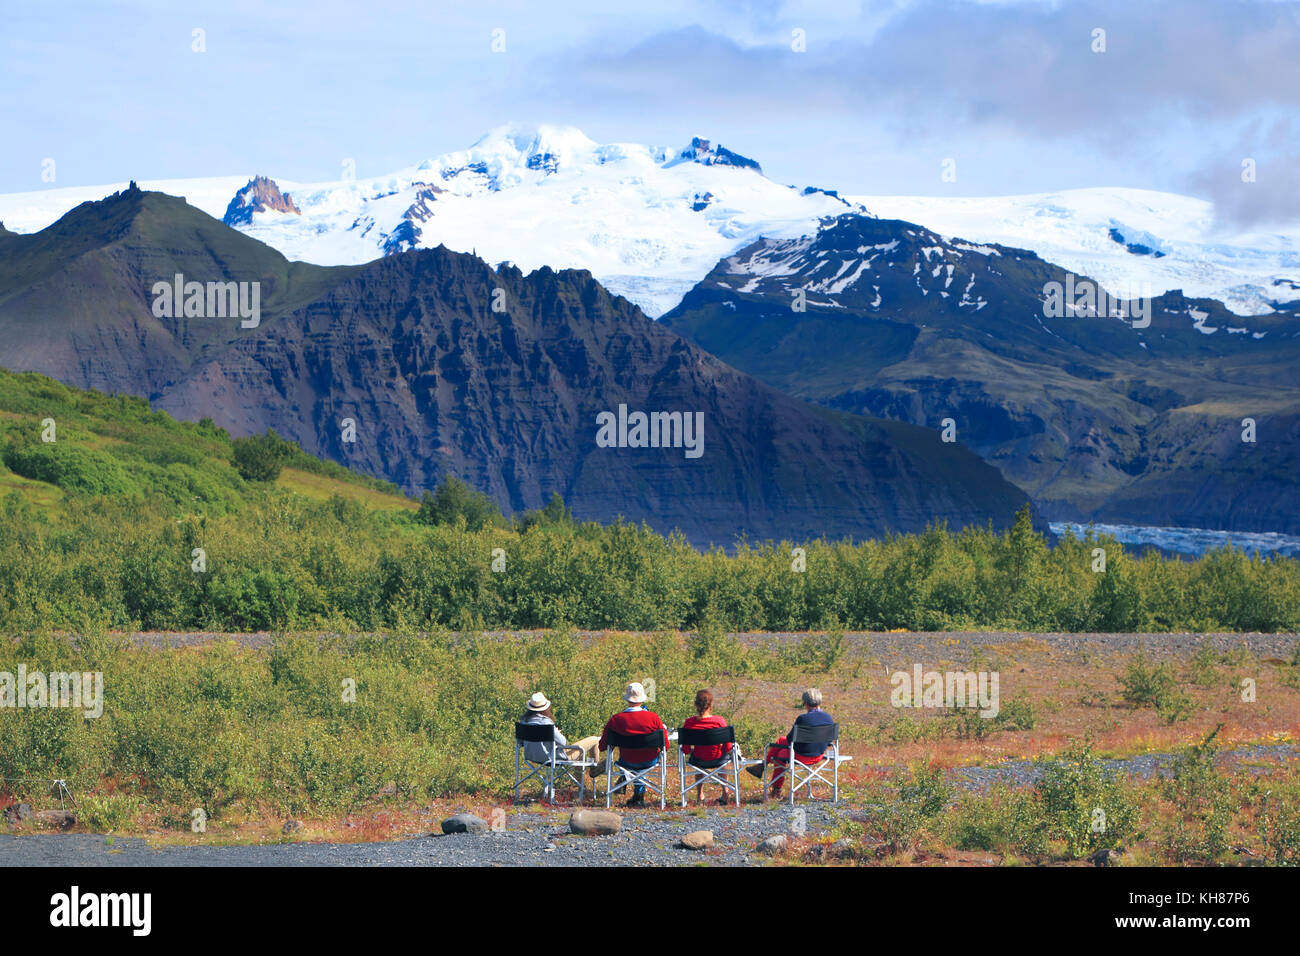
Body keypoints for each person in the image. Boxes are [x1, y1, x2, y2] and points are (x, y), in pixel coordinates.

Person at [597, 682, 669, 806]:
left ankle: (631, 787)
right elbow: (665, 746)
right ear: (642, 699)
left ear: (627, 699)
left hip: (627, 760)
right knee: (641, 761)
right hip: (649, 760)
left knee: (630, 758)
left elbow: (602, 746)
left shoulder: (616, 719)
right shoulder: (653, 718)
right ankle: (638, 795)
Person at [755, 688, 834, 799]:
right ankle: (764, 771)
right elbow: (829, 741)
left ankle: (774, 787)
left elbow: (789, 739)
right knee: (781, 749)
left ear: (805, 703)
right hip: (818, 755)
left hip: (800, 756)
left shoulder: (803, 719)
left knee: (779, 753)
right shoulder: (828, 719)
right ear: (820, 701)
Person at [519, 692, 600, 797]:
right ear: (545, 708)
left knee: (580, 753)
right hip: (553, 758)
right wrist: (557, 732)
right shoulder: (547, 723)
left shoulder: (524, 722)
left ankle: (581, 787)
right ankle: (594, 770)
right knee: (594, 739)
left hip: (531, 756)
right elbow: (563, 742)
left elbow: (520, 742)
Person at [680, 688, 734, 805]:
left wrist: (694, 749)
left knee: (698, 756)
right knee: (723, 758)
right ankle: (725, 793)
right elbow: (728, 747)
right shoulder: (719, 721)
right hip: (718, 759)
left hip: (699, 759)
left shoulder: (689, 723)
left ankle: (700, 794)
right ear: (711, 705)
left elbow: (686, 750)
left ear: (696, 704)